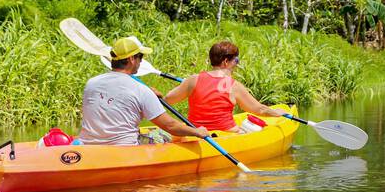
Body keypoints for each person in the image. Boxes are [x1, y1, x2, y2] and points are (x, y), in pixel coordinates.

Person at [76, 36, 211, 146]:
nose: (141, 62)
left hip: (88, 146)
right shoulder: (141, 90)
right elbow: (170, 126)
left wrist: (148, 95)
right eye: (140, 57)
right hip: (124, 148)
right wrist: (196, 132)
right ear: (131, 59)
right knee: (170, 135)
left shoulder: (91, 83)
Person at [165, 41, 285, 134]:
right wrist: (277, 113)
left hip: (196, 132)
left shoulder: (193, 80)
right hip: (227, 132)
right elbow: (260, 110)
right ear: (226, 61)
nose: (237, 64)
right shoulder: (234, 86)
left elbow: (168, 99)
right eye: (236, 60)